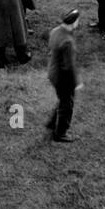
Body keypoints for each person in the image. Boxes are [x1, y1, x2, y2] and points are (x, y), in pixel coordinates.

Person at [46, 9, 81, 141]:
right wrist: (76, 82)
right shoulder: (68, 42)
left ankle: (51, 123)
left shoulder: (55, 31)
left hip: (52, 72)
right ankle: (60, 133)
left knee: (62, 99)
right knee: (67, 104)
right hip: (63, 78)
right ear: (74, 22)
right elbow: (69, 66)